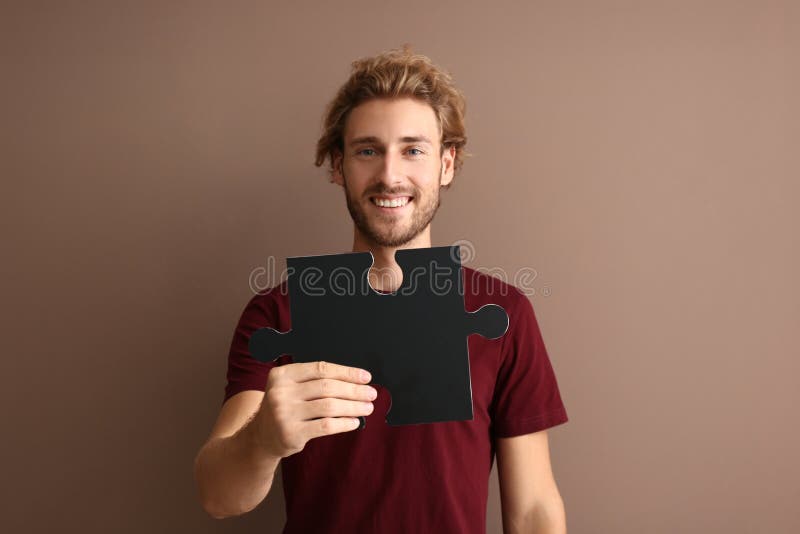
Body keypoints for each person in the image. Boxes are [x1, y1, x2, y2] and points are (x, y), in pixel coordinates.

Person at [193, 45, 569, 533]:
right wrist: (263, 438)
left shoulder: (504, 313)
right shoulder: (277, 313)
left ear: (447, 164)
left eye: (413, 149)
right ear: (337, 165)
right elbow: (219, 497)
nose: (390, 174)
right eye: (367, 150)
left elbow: (534, 508)